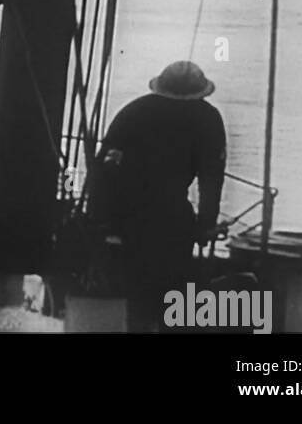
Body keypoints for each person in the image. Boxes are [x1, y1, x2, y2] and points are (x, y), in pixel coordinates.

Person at [92, 61, 226, 332]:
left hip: (127, 218)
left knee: (135, 295)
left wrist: (101, 219)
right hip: (173, 220)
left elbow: (103, 169)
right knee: (171, 298)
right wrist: (206, 225)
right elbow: (211, 180)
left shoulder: (134, 111)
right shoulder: (207, 118)